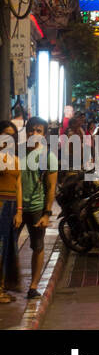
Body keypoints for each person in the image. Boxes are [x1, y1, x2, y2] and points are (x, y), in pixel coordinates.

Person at [17, 118, 55, 299]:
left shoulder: (48, 157)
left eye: (38, 130)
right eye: (31, 130)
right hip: (15, 208)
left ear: (44, 134)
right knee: (6, 247)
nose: (34, 133)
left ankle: (33, 286)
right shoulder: (17, 152)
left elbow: (51, 187)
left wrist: (47, 213)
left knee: (37, 247)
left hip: (36, 209)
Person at [0, 121, 20, 303]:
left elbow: (18, 186)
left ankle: (3, 286)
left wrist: (19, 211)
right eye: (5, 134)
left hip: (12, 207)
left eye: (12, 135)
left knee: (7, 249)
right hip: (1, 205)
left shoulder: (16, 158)